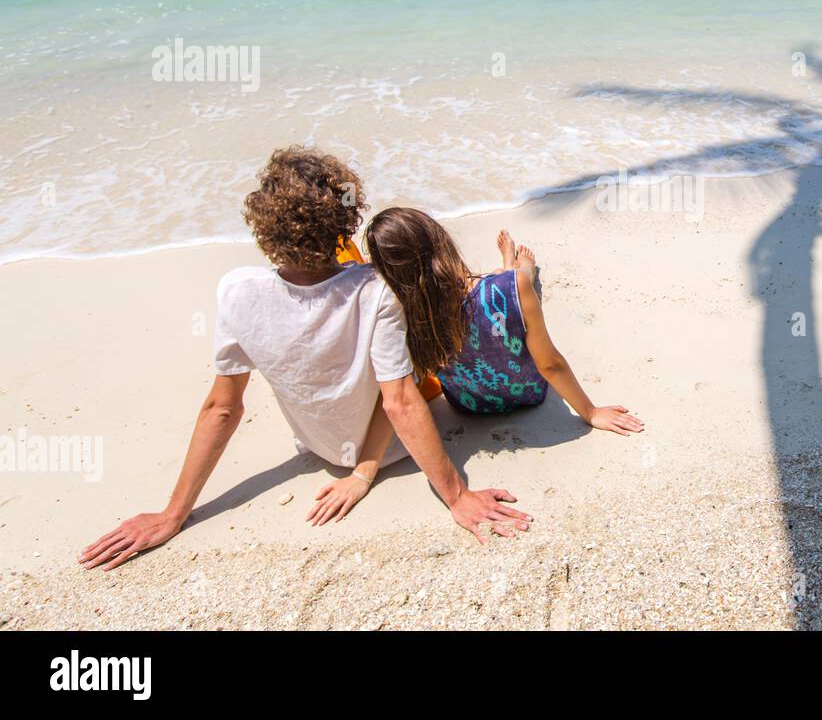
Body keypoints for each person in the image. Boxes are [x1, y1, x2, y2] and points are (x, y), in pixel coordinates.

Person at [79, 147, 530, 571]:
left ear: (262, 227)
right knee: (423, 278)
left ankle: (501, 272)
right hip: (389, 447)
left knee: (361, 278)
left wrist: (172, 513)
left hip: (322, 447)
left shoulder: (237, 291)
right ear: (346, 221)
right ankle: (508, 276)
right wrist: (456, 496)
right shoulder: (377, 290)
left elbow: (222, 407)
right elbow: (400, 401)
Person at [364, 207, 644, 435]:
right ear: (440, 240)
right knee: (511, 282)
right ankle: (519, 266)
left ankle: (508, 264)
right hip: (527, 393)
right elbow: (550, 365)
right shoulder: (511, 288)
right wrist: (591, 412)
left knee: (496, 283)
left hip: (468, 403)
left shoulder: (397, 316)